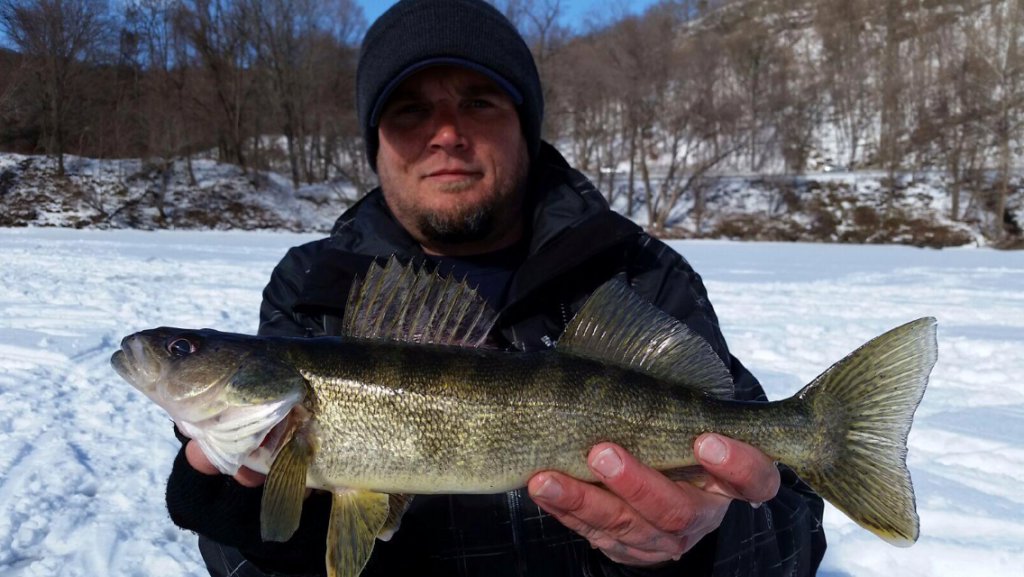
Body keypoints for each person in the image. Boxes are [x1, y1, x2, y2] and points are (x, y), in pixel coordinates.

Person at [165, 1, 826, 575]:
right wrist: (266, 546)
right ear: (375, 142)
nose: (446, 134)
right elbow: (263, 560)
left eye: (478, 102)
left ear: (523, 122)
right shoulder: (316, 290)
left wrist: (697, 546)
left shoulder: (633, 273)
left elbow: (791, 533)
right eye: (410, 109)